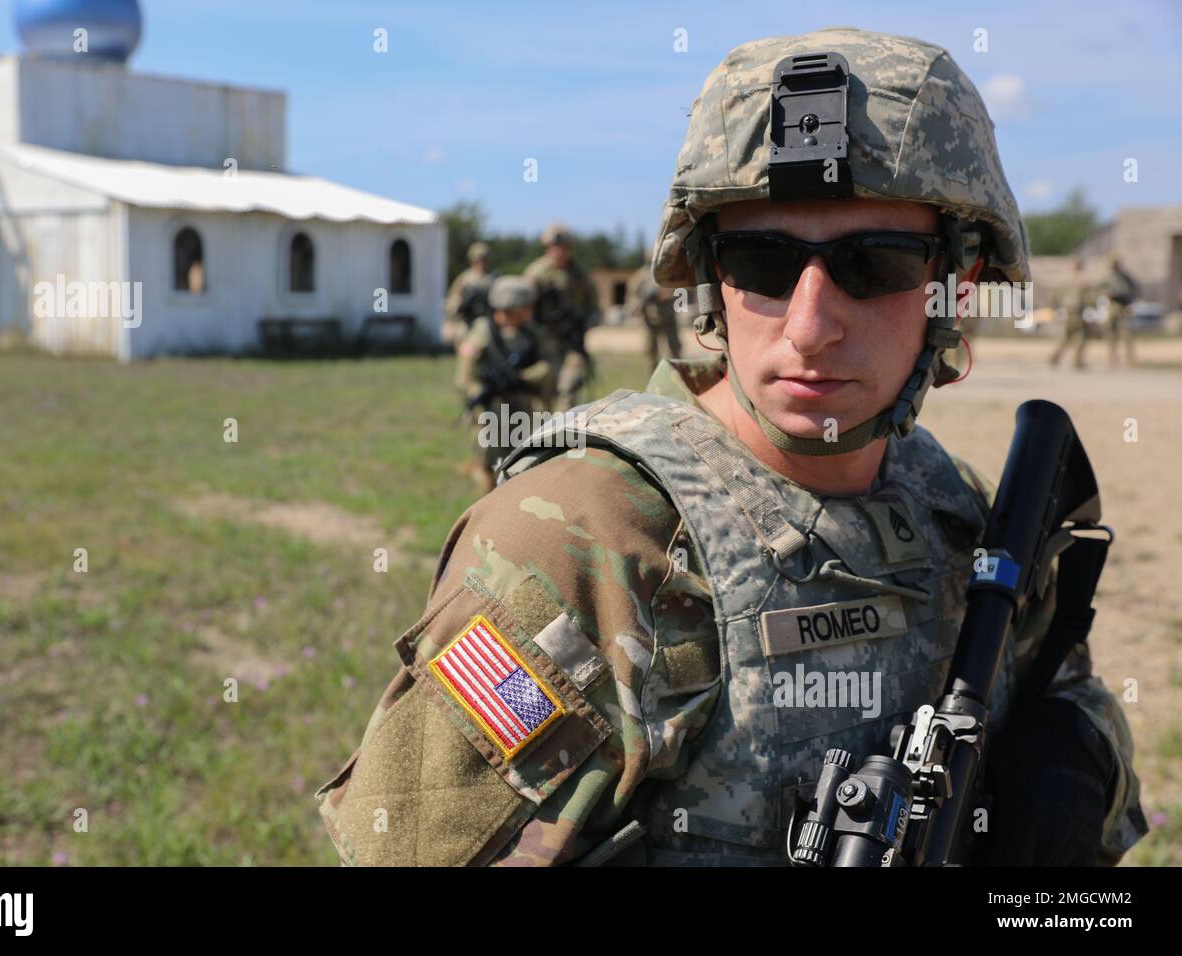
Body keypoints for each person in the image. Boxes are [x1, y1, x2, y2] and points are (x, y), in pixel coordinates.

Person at [317, 27, 1146, 867]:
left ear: (955, 287)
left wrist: (1070, 776)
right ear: (709, 278)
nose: (810, 326)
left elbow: (1068, 696)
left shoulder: (955, 511)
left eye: (875, 263)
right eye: (763, 260)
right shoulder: (577, 542)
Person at [454, 276, 550, 494]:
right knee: (491, 453)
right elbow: (465, 373)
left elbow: (548, 368)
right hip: (493, 405)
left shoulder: (533, 333)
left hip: (525, 403)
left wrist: (523, 377)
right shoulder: (483, 331)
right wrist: (477, 391)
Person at [524, 224, 600, 410]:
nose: (558, 252)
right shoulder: (536, 273)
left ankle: (561, 431)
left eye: (563, 247)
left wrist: (585, 323)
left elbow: (593, 306)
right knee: (545, 391)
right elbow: (524, 309)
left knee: (570, 386)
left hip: (571, 341)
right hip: (543, 341)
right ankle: (545, 432)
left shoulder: (579, 274)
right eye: (553, 247)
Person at [626, 264, 684, 371]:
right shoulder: (641, 275)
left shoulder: (670, 271)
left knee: (675, 349)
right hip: (650, 319)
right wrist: (637, 305)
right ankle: (652, 380)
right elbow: (633, 294)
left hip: (669, 317)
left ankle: (678, 376)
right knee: (651, 351)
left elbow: (682, 289)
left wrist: (668, 293)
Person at [443, 242, 494, 347]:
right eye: (478, 260)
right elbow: (453, 300)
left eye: (484, 259)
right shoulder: (465, 278)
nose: (481, 263)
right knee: (461, 336)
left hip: (485, 318)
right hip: (466, 318)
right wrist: (458, 305)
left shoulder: (490, 280)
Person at [1050, 259, 1091, 370]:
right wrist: (1055, 309)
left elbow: (1087, 298)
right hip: (1071, 313)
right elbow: (1056, 295)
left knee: (1079, 339)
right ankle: (1056, 358)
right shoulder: (1073, 281)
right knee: (1068, 338)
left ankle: (1076, 361)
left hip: (1076, 313)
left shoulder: (1078, 280)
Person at [1102, 253, 1139, 367]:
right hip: (1112, 307)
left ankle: (1130, 359)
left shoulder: (1125, 277)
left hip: (1123, 307)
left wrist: (1129, 301)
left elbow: (1134, 290)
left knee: (1126, 334)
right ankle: (1112, 358)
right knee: (1111, 334)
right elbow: (1101, 290)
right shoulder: (1108, 277)